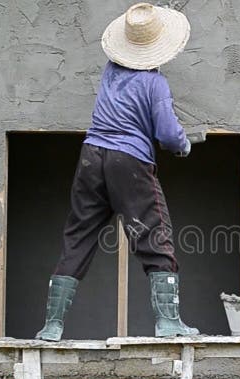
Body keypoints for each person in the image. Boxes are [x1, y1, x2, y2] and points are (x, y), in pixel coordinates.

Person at [35, 2, 199, 341]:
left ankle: (51, 326)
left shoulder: (110, 71)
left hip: (91, 158)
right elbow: (167, 134)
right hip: (129, 163)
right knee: (154, 236)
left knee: (78, 238)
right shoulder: (156, 84)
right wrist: (184, 144)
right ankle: (168, 323)